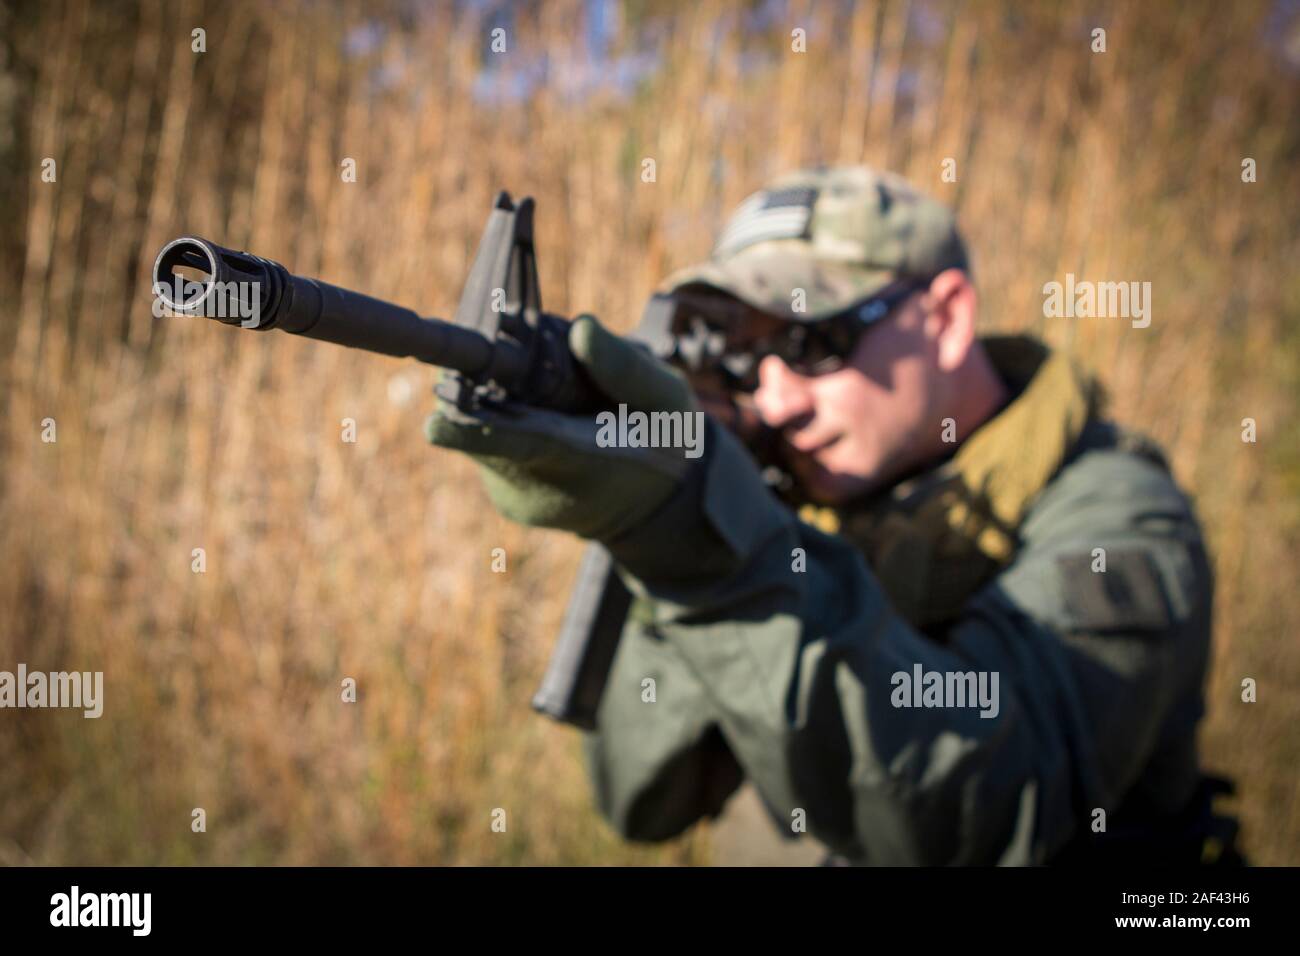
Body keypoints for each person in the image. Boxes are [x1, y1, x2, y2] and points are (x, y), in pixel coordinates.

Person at [426, 165, 1237, 865]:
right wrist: (670, 530)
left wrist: (722, 558)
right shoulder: (793, 489)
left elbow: (982, 810)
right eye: (748, 358)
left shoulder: (1116, 518)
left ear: (947, 315)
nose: (776, 398)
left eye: (817, 343)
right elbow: (642, 796)